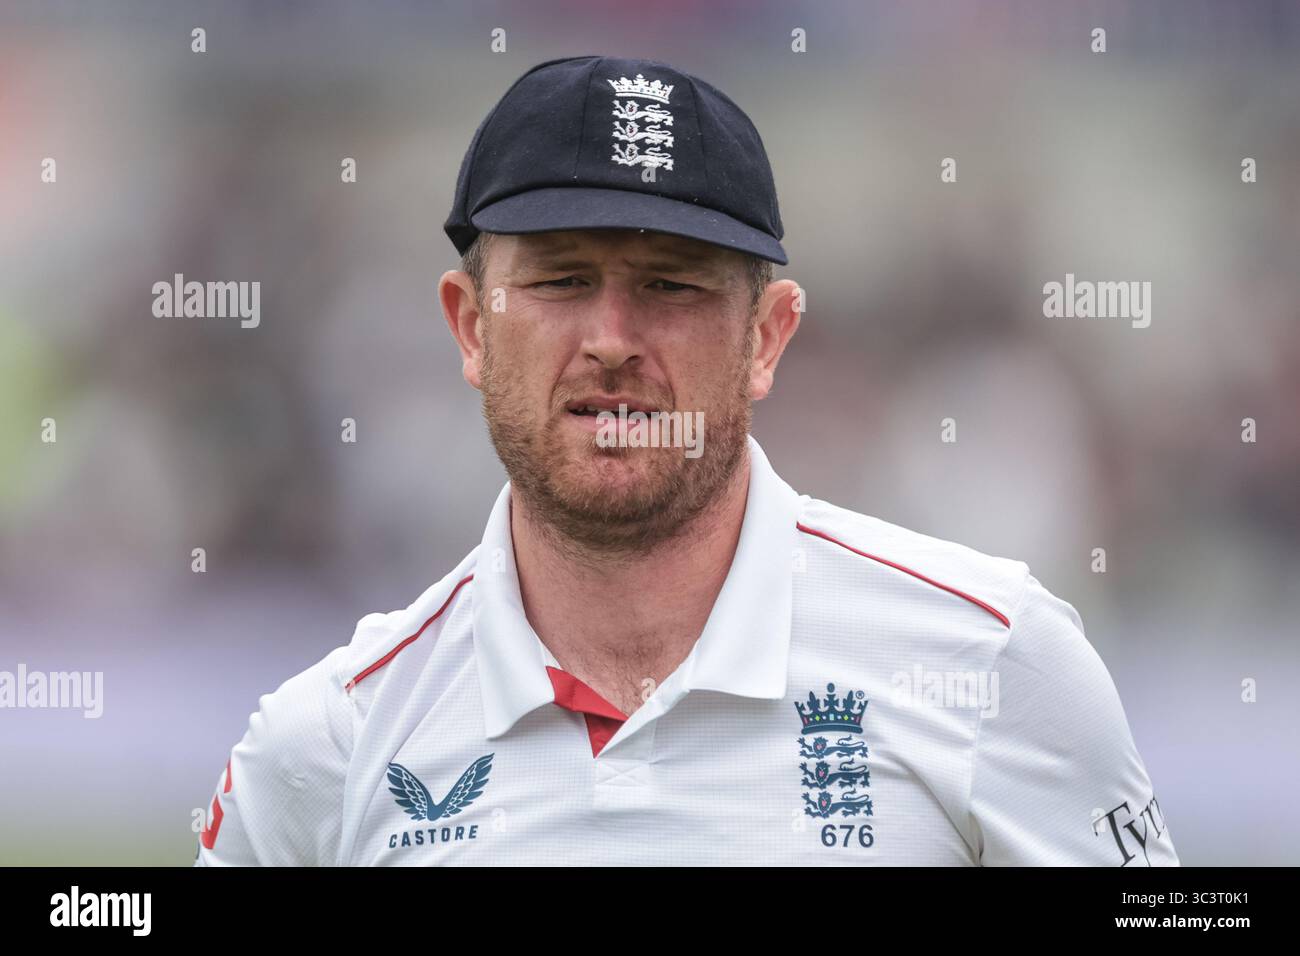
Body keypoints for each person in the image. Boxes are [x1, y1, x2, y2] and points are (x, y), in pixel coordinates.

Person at [195, 56, 1177, 866]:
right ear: (469, 326)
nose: (612, 338)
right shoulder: (330, 741)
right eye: (561, 279)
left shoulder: (994, 659)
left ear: (766, 338)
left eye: (670, 285)